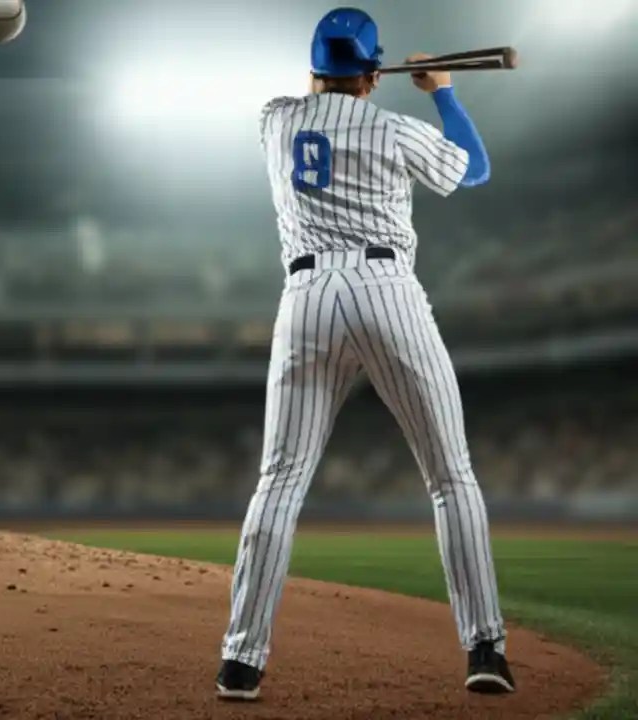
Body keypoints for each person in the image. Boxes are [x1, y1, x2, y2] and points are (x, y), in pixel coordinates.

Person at [215, 7, 512, 701]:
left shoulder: (274, 119)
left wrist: (356, 78)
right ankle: (485, 650)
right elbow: (475, 170)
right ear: (374, 77)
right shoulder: (391, 125)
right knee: (450, 477)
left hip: (307, 297)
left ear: (314, 69)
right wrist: (440, 90)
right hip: (386, 291)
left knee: (279, 482)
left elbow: (322, 93)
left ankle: (240, 661)